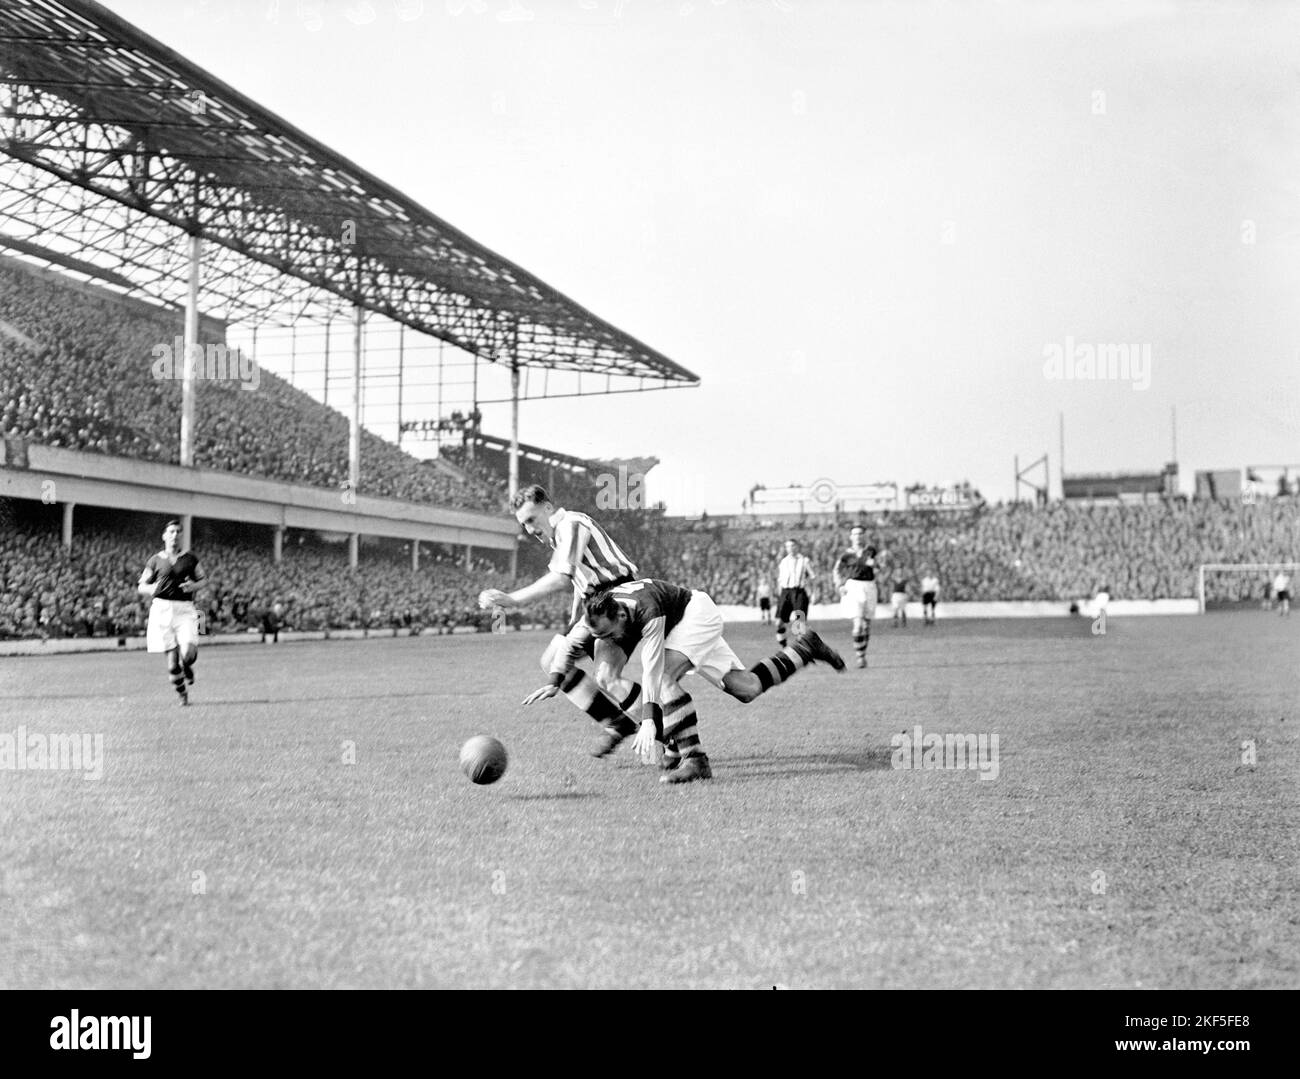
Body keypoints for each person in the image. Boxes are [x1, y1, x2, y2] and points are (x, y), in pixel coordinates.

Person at [525, 578, 845, 784]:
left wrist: (650, 723)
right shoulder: (596, 612)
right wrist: (555, 680)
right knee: (745, 687)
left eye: (609, 634)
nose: (607, 641)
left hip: (695, 615)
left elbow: (652, 670)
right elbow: (568, 646)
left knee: (665, 678)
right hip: (680, 625)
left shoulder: (648, 613)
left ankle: (695, 760)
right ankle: (804, 649)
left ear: (621, 617)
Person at [478, 485, 643, 756]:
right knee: (554, 661)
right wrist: (573, 623)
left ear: (548, 508)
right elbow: (581, 584)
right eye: (524, 524)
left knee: (607, 677)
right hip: (597, 604)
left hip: (618, 599)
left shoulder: (571, 524)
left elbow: (561, 578)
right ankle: (619, 723)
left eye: (532, 519)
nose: (530, 529)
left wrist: (513, 599)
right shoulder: (560, 537)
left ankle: (668, 736)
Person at [137, 519, 205, 705]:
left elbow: (203, 580)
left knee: (188, 654)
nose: (175, 535)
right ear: (164, 536)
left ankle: (187, 665)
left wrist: (194, 586)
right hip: (161, 610)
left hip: (185, 610)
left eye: (178, 532)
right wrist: (150, 589)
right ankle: (183, 695)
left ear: (182, 536)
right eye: (171, 532)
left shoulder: (190, 559)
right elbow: (141, 586)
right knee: (172, 665)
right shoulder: (155, 560)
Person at [833, 528, 877, 668]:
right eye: (855, 534)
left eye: (860, 534)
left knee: (866, 625)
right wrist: (840, 585)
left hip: (869, 586)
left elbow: (881, 566)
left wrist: (875, 566)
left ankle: (863, 653)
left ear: (864, 536)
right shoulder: (846, 554)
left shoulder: (871, 551)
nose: (858, 536)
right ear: (851, 537)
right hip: (853, 587)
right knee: (858, 625)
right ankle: (860, 657)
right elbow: (836, 570)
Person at [775, 539, 815, 647]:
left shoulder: (805, 561)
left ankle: (799, 649)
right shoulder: (783, 561)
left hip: (799, 593)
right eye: (788, 546)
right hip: (785, 593)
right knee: (779, 622)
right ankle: (784, 647)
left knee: (799, 622)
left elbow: (812, 577)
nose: (791, 548)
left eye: (793, 546)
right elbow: (780, 579)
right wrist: (780, 595)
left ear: (797, 547)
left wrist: (812, 592)